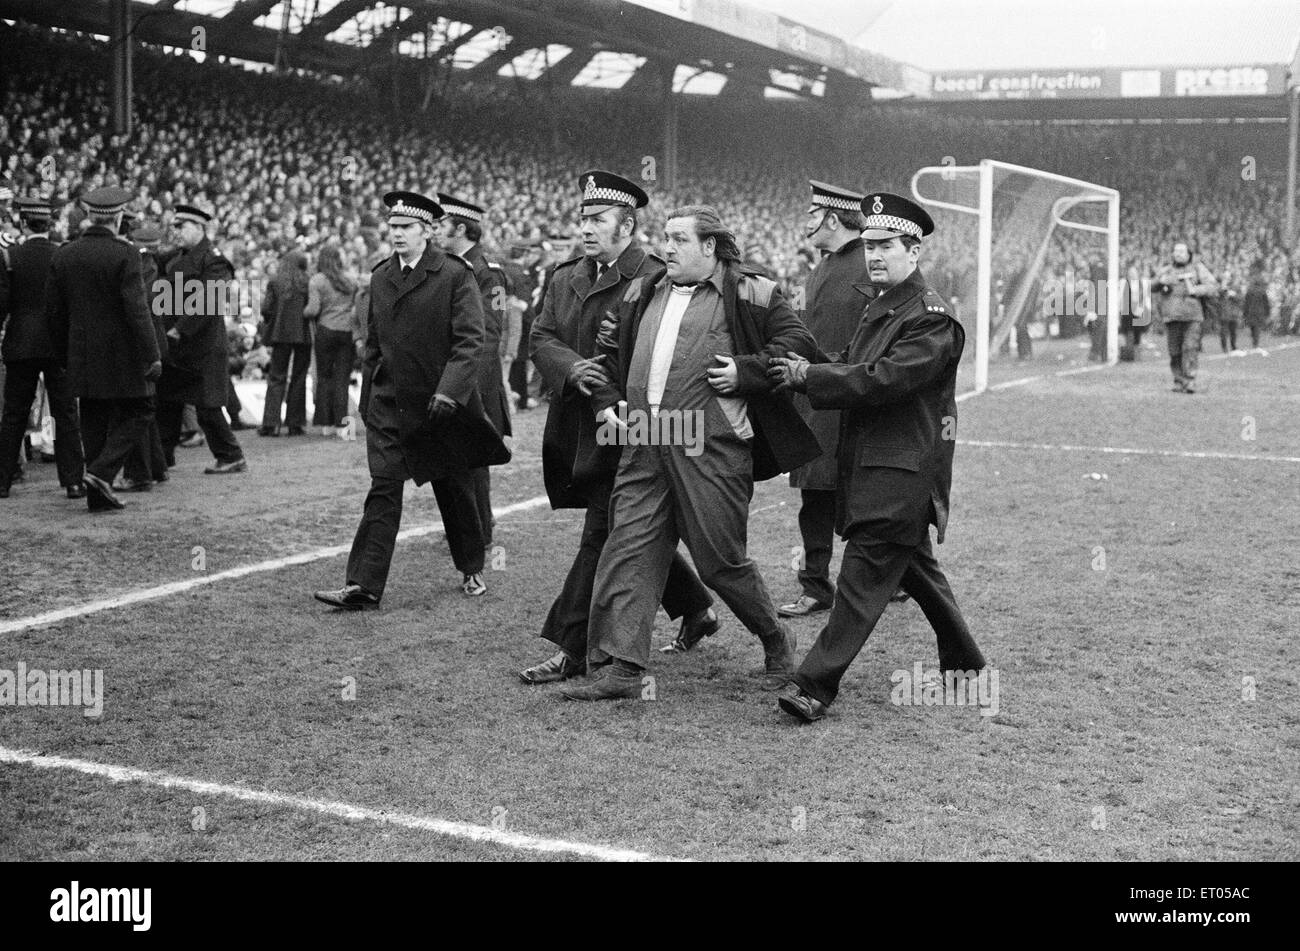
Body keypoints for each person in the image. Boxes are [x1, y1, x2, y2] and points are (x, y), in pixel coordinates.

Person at [560, 203, 822, 701]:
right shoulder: (644, 289)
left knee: (719, 560)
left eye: (680, 239)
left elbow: (799, 346)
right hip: (641, 440)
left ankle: (774, 635)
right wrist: (608, 399)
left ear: (709, 246)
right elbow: (609, 353)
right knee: (628, 549)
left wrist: (746, 372)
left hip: (710, 444)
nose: (668, 247)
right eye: (666, 237)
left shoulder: (753, 291)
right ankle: (623, 667)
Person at [768, 192, 987, 722]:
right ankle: (967, 667)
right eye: (868, 245)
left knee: (861, 583)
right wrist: (805, 363)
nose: (874, 255)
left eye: (886, 245)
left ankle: (814, 685)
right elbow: (852, 362)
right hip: (873, 468)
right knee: (915, 570)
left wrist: (813, 377)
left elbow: (884, 380)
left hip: (900, 473)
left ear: (914, 251)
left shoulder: (931, 319)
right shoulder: (882, 306)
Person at [521, 171, 716, 686]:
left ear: (627, 225)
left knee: (602, 535)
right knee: (626, 529)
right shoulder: (564, 276)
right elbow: (540, 337)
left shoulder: (652, 277)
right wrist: (571, 367)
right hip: (578, 423)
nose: (586, 228)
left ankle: (571, 648)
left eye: (598, 220)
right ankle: (697, 607)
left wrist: (607, 388)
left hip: (627, 427)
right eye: (583, 218)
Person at [314, 190, 506, 608]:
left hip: (440, 404)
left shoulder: (455, 274)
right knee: (383, 487)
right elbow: (374, 343)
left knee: (454, 489)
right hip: (388, 402)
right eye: (393, 227)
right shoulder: (382, 276)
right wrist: (368, 398)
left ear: (428, 231)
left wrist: (450, 392)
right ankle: (363, 585)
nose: (396, 234)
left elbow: (471, 341)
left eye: (406, 228)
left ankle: (471, 567)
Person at [778, 181, 871, 619]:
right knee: (816, 495)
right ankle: (816, 586)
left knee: (869, 493)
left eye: (812, 216)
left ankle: (898, 576)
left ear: (832, 219)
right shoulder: (824, 265)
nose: (807, 223)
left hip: (855, 395)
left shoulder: (872, 262)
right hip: (817, 394)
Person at [45, 187, 161, 512]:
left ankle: (98, 494)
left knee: (93, 417)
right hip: (122, 354)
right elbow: (137, 311)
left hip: (80, 352)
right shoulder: (126, 255)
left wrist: (61, 354)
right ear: (119, 217)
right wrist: (152, 354)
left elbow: (53, 313)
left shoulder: (64, 254)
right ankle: (100, 473)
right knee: (141, 411)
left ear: (89, 215)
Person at [437, 191, 513, 548]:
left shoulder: (488, 272)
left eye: (443, 226)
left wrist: (469, 383)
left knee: (476, 457)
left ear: (462, 230)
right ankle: (469, 527)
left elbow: (489, 332)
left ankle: (481, 531)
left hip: (477, 378)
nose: (437, 232)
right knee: (456, 457)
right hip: (458, 373)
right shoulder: (454, 268)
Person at [0, 195, 86, 500]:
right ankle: (74, 481)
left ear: (23, 223)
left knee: (13, 414)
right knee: (64, 414)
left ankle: (3, 481)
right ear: (49, 224)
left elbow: (2, 304)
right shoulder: (62, 254)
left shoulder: (10, 256)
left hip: (21, 342)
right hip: (57, 343)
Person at [156, 203, 248, 471]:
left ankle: (231, 456)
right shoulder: (173, 258)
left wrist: (178, 329)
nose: (177, 232)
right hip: (179, 346)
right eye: (174, 227)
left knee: (208, 407)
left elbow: (208, 299)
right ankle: (162, 459)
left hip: (202, 344)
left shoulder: (214, 259)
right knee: (168, 404)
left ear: (199, 228)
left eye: (182, 227)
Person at [120, 221, 170, 490]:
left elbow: (143, 308)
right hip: (152, 341)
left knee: (137, 407)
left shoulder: (144, 266)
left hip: (144, 344)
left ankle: (140, 473)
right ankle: (157, 467)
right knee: (146, 407)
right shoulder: (150, 265)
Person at [306, 240, 361, 435]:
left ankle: (326, 424)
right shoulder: (351, 279)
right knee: (342, 378)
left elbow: (313, 310)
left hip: (325, 331)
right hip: (346, 332)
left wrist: (302, 313)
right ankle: (342, 425)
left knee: (324, 377)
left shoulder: (317, 280)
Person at [259, 248, 312, 436]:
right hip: (304, 333)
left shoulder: (275, 281)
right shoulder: (308, 281)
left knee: (276, 376)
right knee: (299, 377)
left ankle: (271, 423)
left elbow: (266, 309)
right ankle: (295, 423)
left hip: (280, 333)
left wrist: (271, 322)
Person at [1153, 241, 1216, 394]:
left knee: (1190, 348)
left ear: (1188, 254)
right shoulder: (1167, 270)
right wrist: (1161, 282)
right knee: (1174, 351)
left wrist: (1196, 290)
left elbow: (1212, 286)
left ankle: (1189, 381)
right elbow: (1151, 285)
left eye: (1182, 251)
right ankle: (1178, 380)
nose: (1178, 253)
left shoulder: (1198, 268)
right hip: (1171, 316)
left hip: (1192, 316)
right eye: (1176, 251)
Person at [1242, 265, 1270, 350]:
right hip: (1259, 311)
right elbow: (1266, 303)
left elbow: (1246, 303)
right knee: (1257, 327)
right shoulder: (1262, 291)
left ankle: (1254, 342)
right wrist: (1267, 312)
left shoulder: (1249, 291)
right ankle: (1255, 343)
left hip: (1251, 311)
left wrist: (1245, 313)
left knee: (1252, 327)